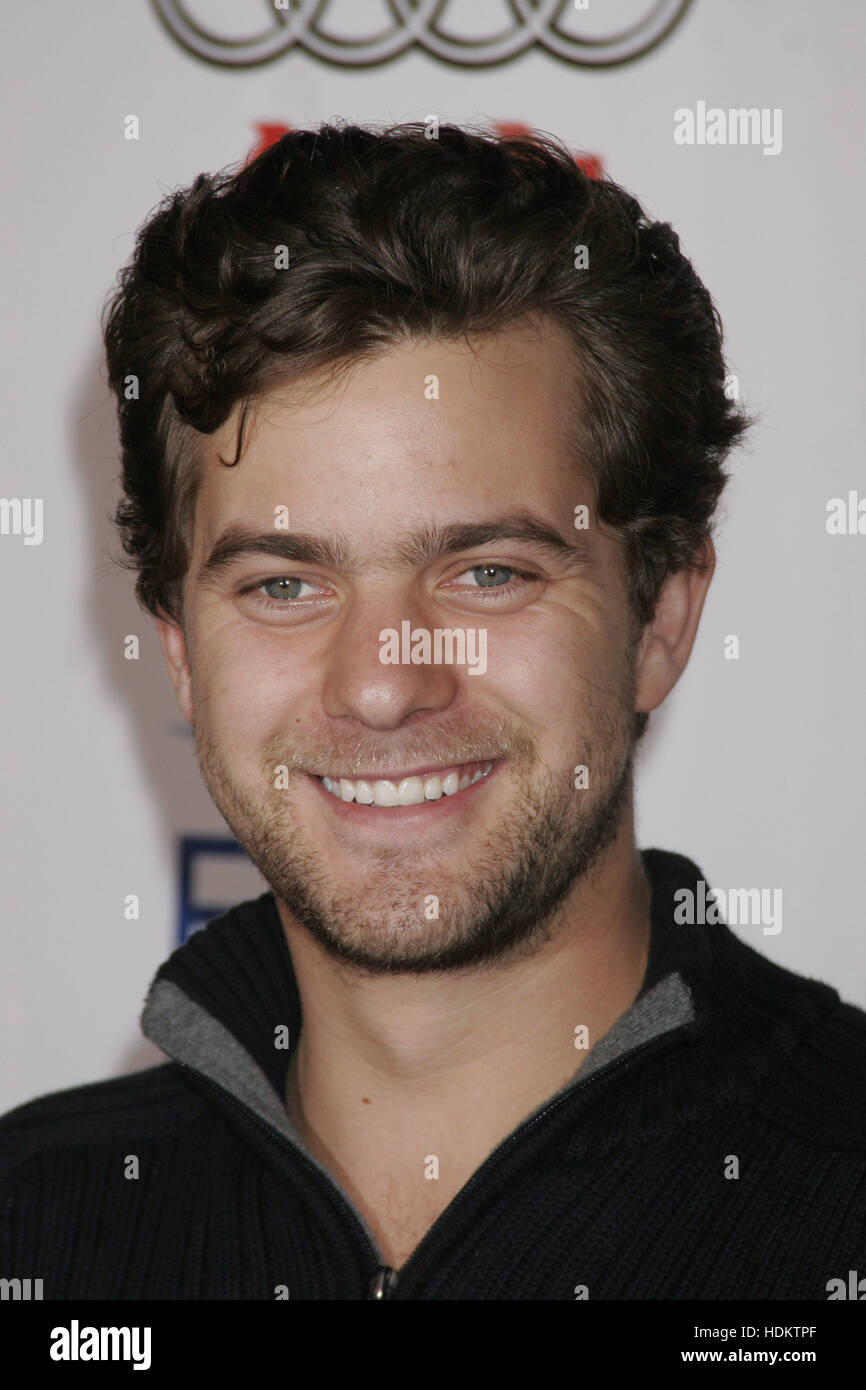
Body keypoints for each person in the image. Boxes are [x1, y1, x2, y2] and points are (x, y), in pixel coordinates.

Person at [2, 121, 864, 1301]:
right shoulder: (37, 1230)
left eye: (488, 571)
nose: (382, 680)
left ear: (658, 616)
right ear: (182, 656)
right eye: (284, 584)